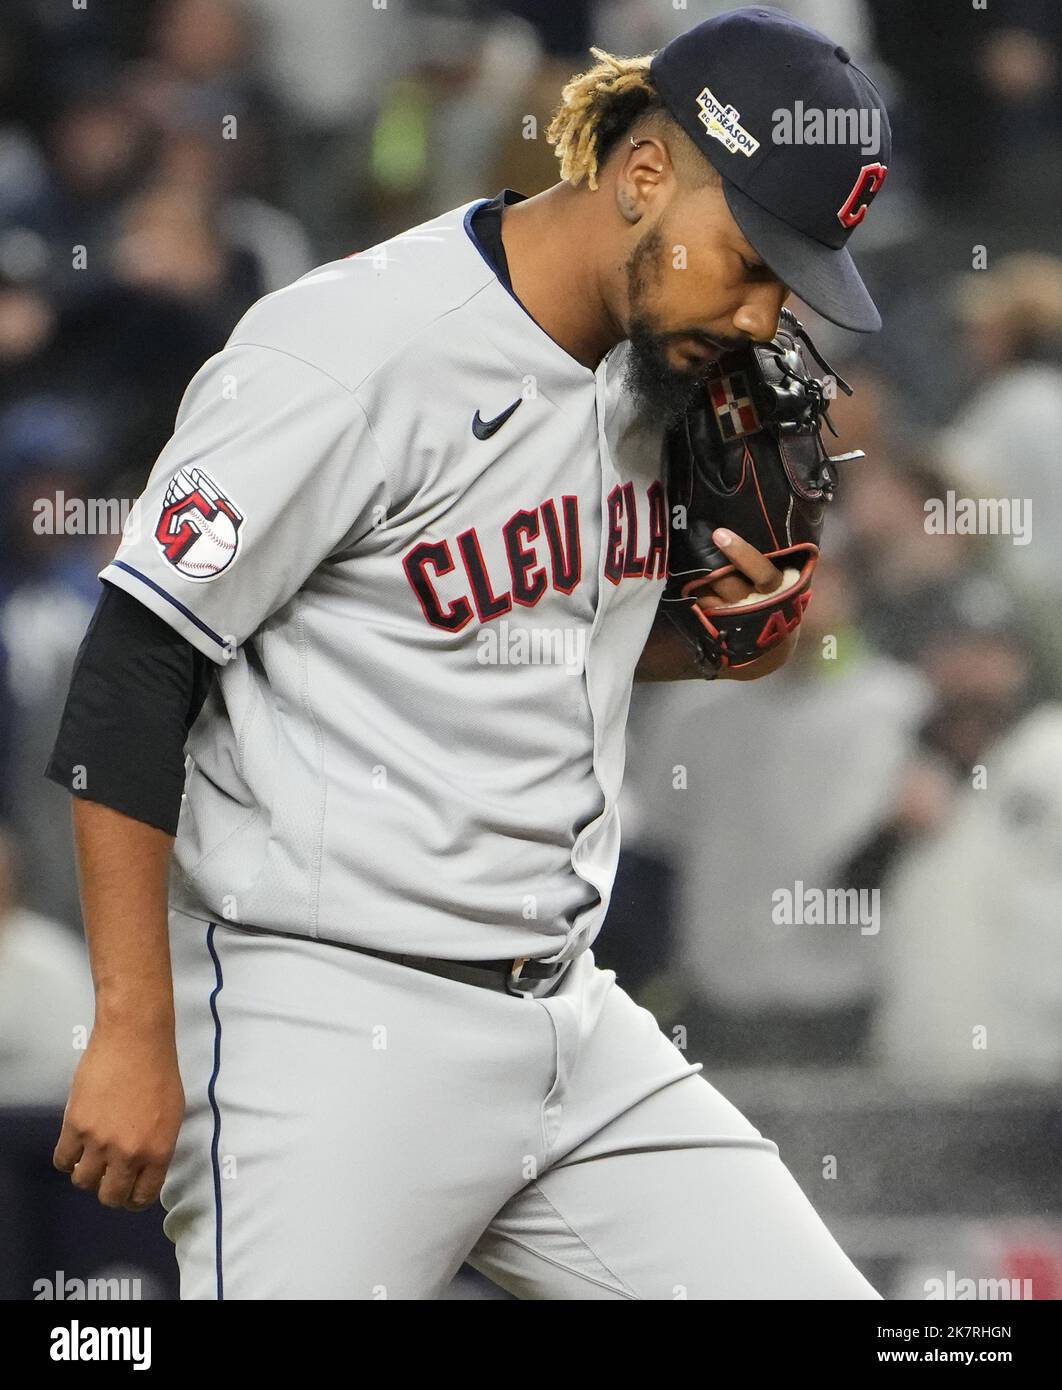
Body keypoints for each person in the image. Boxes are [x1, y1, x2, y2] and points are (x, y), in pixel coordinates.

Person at [46, 10, 891, 1299]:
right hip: (324, 1023)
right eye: (753, 256)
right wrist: (131, 1024)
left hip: (574, 1021)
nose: (764, 307)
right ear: (644, 173)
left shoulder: (651, 376)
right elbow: (132, 665)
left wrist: (711, 642)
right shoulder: (347, 351)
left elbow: (515, 636)